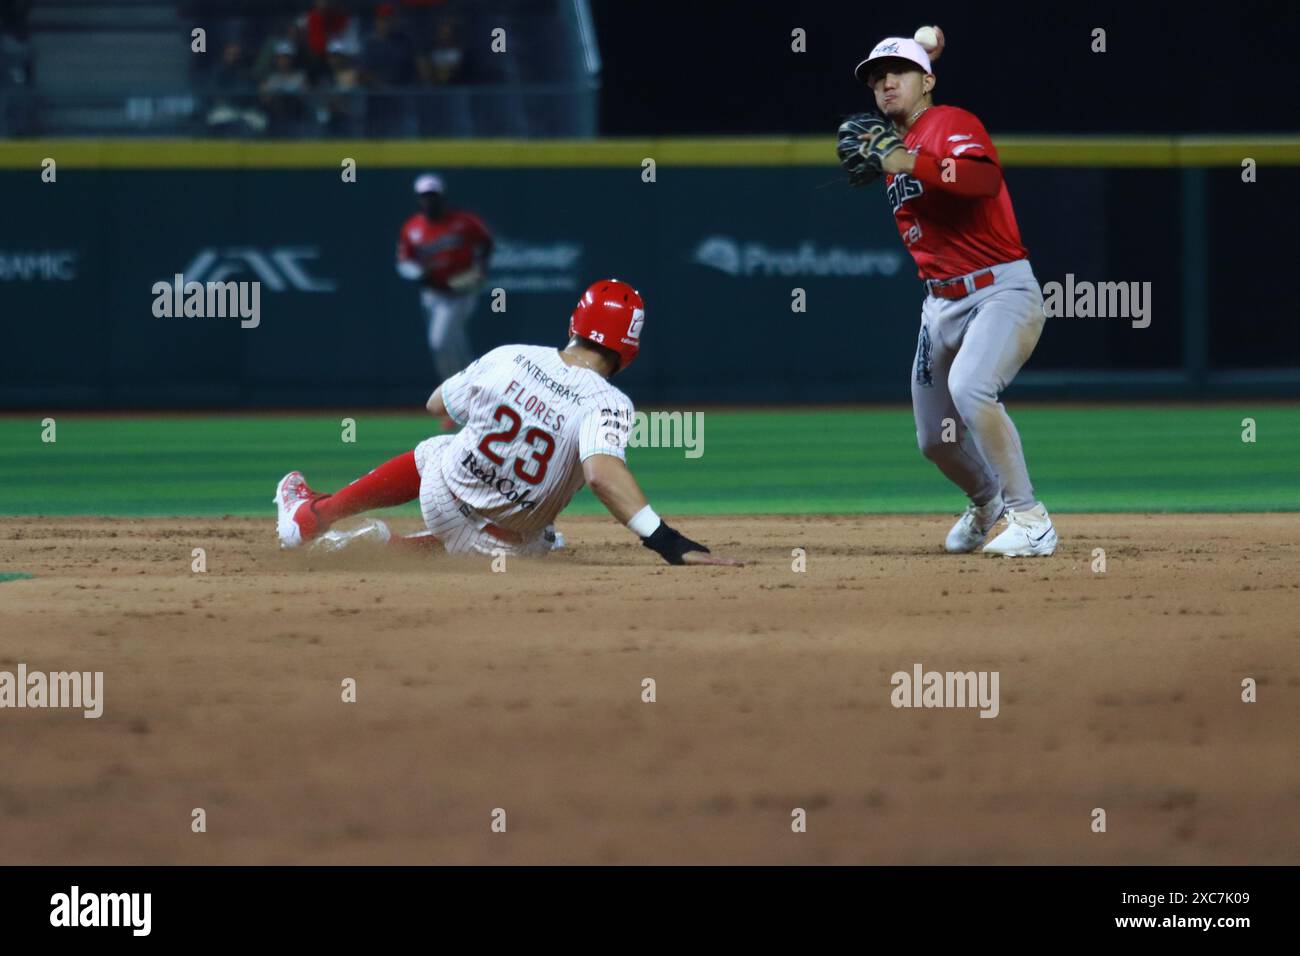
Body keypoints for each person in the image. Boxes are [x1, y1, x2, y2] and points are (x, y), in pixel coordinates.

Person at [273, 280, 743, 567]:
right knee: (543, 532)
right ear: (630, 351)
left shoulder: (511, 356)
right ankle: (366, 541)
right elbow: (601, 475)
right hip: (507, 546)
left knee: (437, 449)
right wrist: (666, 540)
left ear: (573, 325)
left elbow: (437, 406)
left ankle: (317, 517)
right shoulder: (610, 402)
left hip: (443, 497)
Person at [849, 30, 1056, 557]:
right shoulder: (896, 148)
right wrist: (897, 159)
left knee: (971, 389)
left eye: (899, 71)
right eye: (877, 76)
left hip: (999, 288)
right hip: (938, 306)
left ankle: (1031, 519)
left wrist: (909, 162)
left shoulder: (951, 122)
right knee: (935, 439)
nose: (886, 82)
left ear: (928, 81)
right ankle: (986, 501)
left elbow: (982, 181)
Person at [396, 173, 493, 399]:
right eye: (424, 196)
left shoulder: (463, 221)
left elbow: (485, 242)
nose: (429, 200)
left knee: (439, 341)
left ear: (441, 196)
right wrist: (418, 273)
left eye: (432, 195)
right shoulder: (412, 228)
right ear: (418, 199)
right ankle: (475, 391)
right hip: (432, 293)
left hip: (460, 291)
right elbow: (404, 261)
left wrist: (479, 268)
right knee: (456, 343)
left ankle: (451, 395)